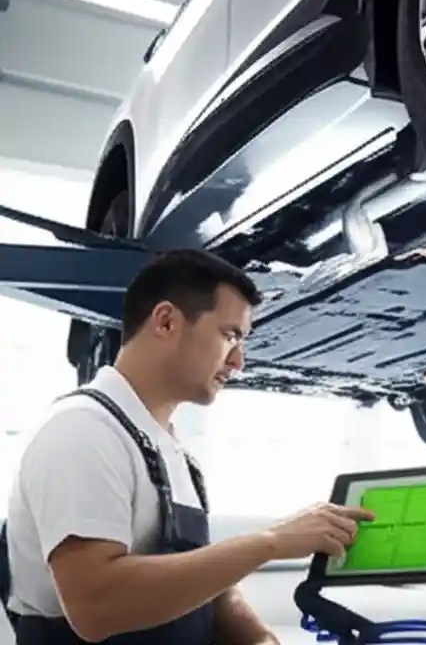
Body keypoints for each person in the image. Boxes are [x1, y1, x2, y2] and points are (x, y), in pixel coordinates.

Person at [1, 249, 374, 644]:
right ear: (166, 321)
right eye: (230, 336)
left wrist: (261, 640)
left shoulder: (172, 451)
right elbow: (96, 605)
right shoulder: (83, 430)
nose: (239, 361)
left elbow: (207, 588)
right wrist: (271, 542)